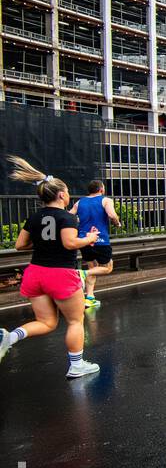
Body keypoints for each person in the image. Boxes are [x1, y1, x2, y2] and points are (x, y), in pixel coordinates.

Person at [0, 157, 103, 377]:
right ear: (61, 195)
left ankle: (9, 337)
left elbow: (20, 245)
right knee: (76, 320)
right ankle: (76, 366)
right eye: (66, 192)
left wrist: (44, 243)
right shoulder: (67, 217)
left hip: (35, 272)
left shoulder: (35, 217)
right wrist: (89, 238)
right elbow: (69, 243)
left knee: (46, 322)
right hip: (61, 274)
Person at [73, 180, 120, 308]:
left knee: (92, 268)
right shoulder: (105, 200)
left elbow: (69, 216)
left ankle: (89, 297)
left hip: (83, 239)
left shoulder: (79, 202)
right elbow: (111, 214)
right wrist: (117, 222)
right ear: (101, 189)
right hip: (100, 239)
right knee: (107, 268)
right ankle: (81, 274)